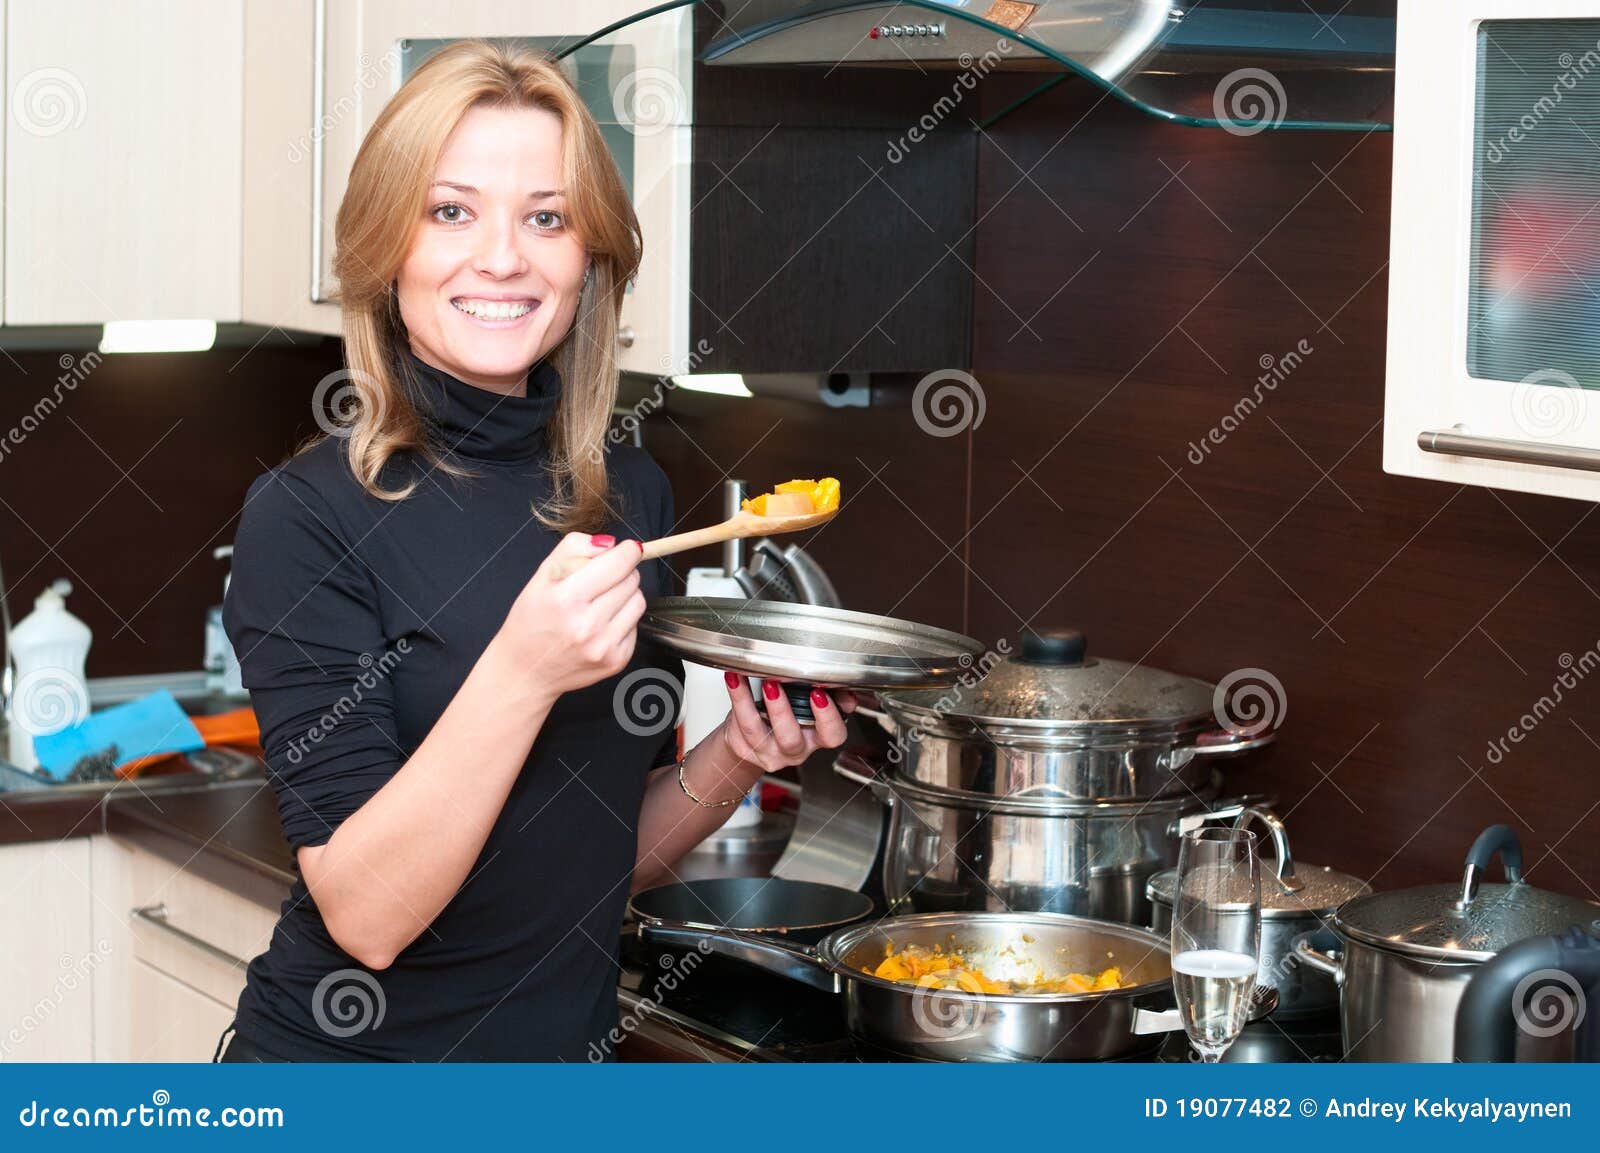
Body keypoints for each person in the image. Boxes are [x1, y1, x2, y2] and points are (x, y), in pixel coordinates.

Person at [217, 41, 854, 1061]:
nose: (504, 257)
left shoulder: (626, 492)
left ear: (587, 256)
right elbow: (367, 918)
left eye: (546, 217)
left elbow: (590, 858)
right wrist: (521, 670)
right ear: (388, 247)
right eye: (451, 211)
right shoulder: (307, 516)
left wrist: (737, 753)